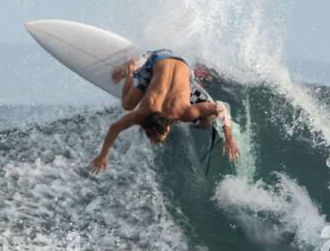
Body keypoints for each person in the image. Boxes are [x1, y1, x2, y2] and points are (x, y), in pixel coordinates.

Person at [89, 49, 240, 174]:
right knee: (128, 105)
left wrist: (230, 138)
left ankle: (132, 69)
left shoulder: (183, 113)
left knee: (127, 105)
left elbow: (221, 108)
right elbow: (114, 128)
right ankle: (134, 69)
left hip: (161, 59)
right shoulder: (143, 113)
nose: (156, 141)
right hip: (177, 60)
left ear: (167, 127)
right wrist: (103, 155)